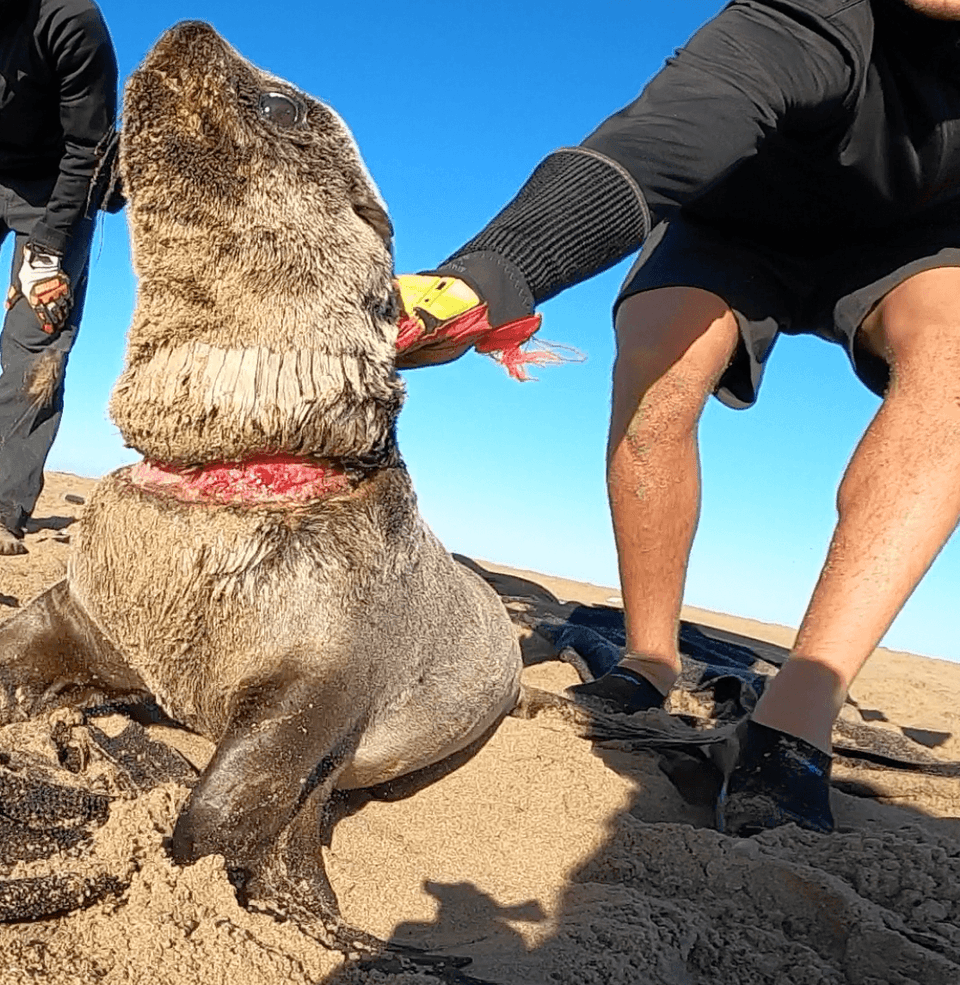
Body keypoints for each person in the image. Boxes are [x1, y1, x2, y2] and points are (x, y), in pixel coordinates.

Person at [394, 0, 960, 836]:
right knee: (661, 355)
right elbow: (653, 144)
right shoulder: (818, 15)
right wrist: (488, 274)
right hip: (734, 221)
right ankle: (649, 659)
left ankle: (794, 725)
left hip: (914, 243)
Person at [0, 0, 118, 555]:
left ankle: (3, 506)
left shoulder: (70, 21)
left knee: (35, 339)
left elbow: (88, 148)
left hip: (58, 186)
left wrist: (45, 250)